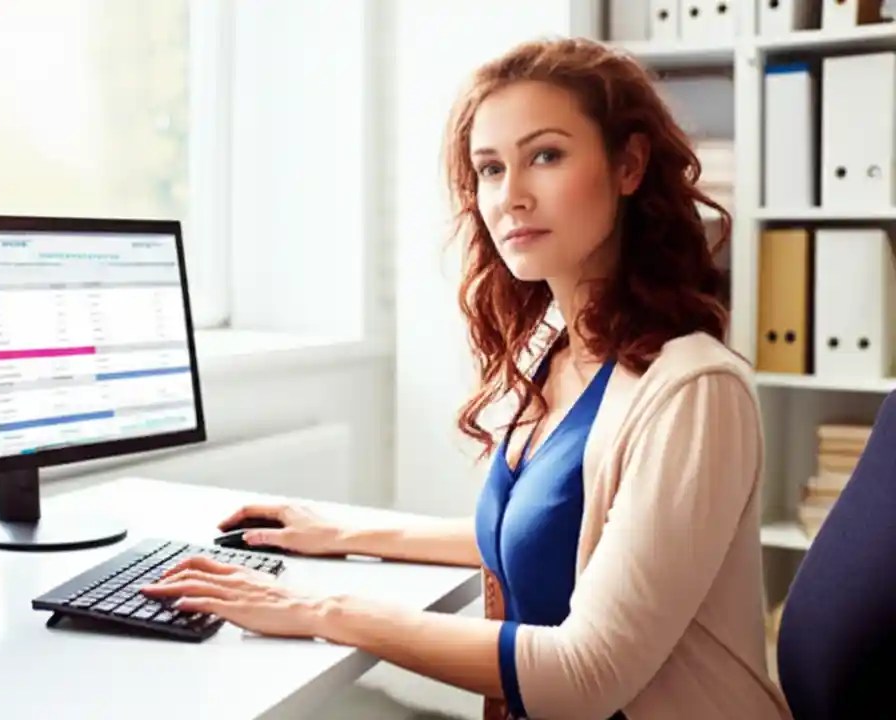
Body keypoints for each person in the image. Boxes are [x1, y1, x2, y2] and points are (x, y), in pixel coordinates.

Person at [141, 36, 790, 719]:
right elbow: (544, 532)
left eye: (545, 155)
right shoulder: (554, 344)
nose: (510, 196)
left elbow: (584, 676)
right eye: (488, 169)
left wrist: (317, 609)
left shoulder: (692, 392)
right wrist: (344, 531)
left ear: (627, 165)